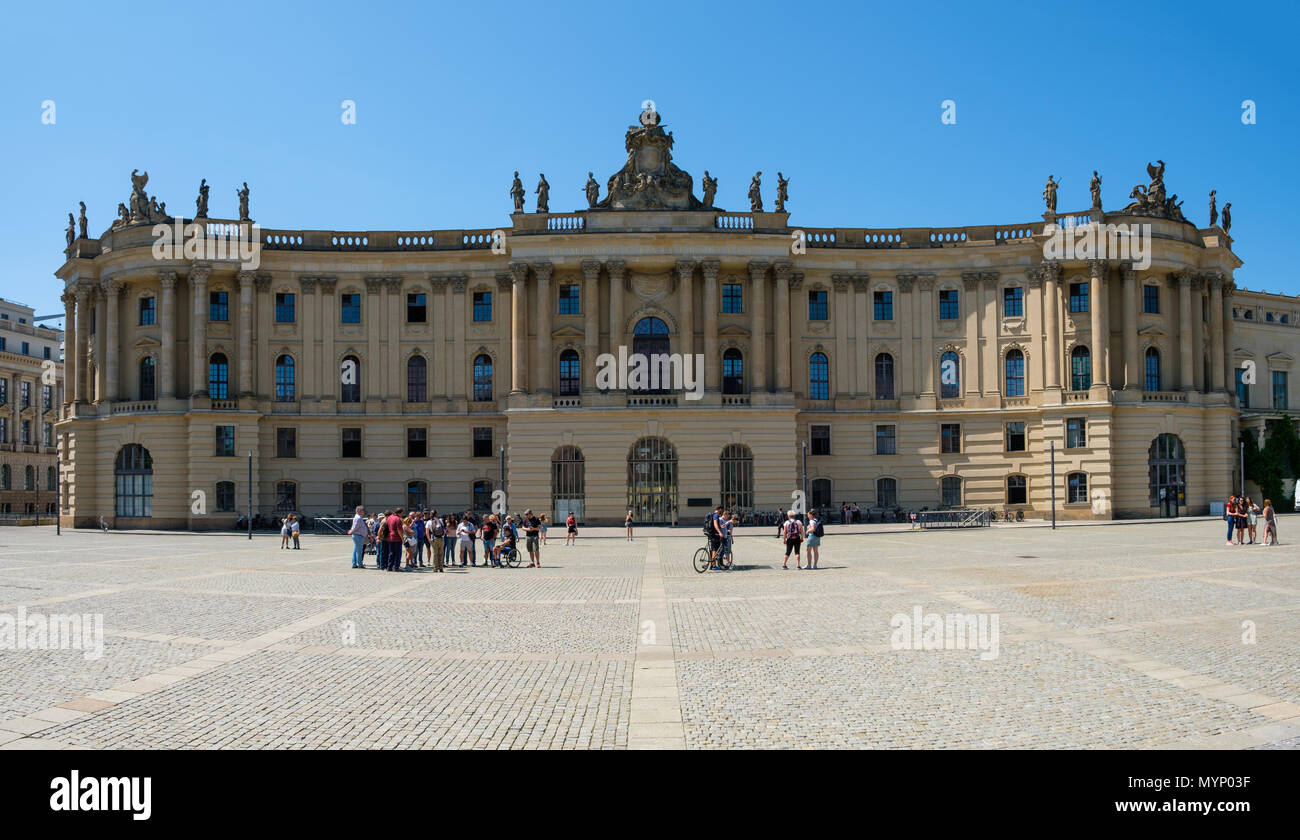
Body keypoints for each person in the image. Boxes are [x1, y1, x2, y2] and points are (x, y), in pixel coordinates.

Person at [706, 505, 726, 569]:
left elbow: (716, 525)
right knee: (715, 549)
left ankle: (712, 565)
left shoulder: (712, 515)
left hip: (710, 533)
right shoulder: (716, 515)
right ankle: (714, 565)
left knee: (713, 549)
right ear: (720, 509)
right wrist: (720, 532)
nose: (722, 512)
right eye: (722, 510)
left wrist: (721, 527)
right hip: (714, 534)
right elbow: (715, 524)